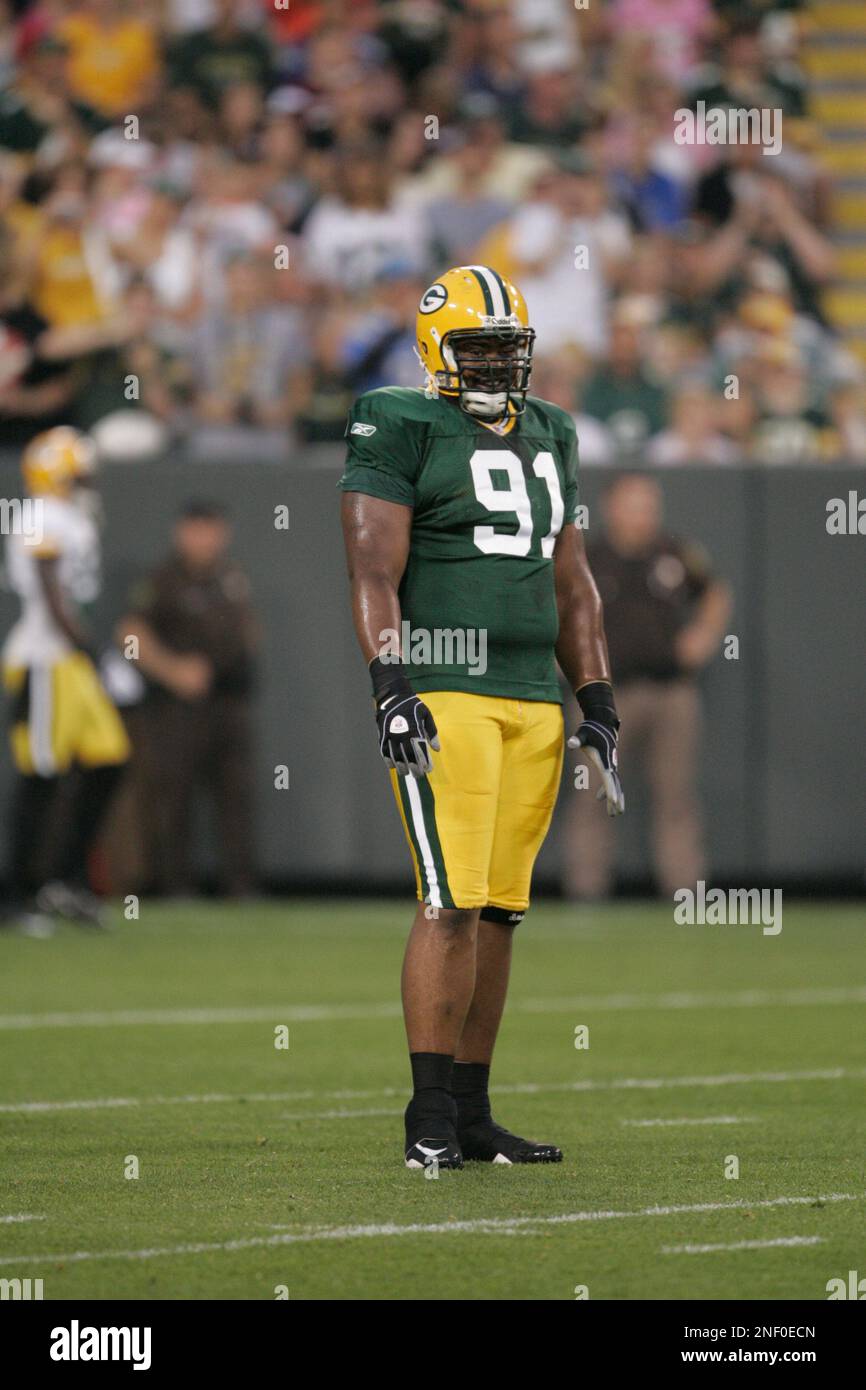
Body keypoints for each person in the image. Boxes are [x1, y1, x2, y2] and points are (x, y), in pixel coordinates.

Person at [339, 265, 624, 1171]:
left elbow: (573, 581)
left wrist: (598, 700)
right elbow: (373, 572)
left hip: (534, 700)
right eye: (480, 348)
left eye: (510, 348)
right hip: (447, 692)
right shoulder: (398, 419)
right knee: (448, 901)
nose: (498, 365)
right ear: (436, 350)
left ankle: (470, 1112)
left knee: (499, 912)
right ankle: (426, 1112)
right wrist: (391, 689)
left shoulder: (556, 430)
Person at [563, 473, 731, 900]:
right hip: (602, 696)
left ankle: (687, 891)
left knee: (676, 796)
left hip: (670, 691)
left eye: (649, 506)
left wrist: (704, 637)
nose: (643, 515)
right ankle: (586, 893)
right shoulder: (587, 557)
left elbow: (715, 591)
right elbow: (552, 605)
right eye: (634, 505)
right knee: (592, 794)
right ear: (611, 507)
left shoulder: (675, 553)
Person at [1, 426, 131, 932]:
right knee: (40, 776)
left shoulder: (68, 515)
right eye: (78, 474)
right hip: (44, 658)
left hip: (68, 659)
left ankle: (63, 881)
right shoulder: (39, 515)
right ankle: (16, 895)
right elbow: (51, 596)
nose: (86, 483)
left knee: (107, 761)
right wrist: (97, 654)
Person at [118, 501, 259, 898]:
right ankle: (175, 887)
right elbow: (128, 636)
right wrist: (173, 670)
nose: (205, 539)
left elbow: (248, 630)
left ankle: (241, 887)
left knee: (236, 797)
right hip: (176, 710)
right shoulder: (161, 580)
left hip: (229, 703)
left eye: (212, 529)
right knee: (173, 797)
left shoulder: (232, 577)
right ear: (181, 532)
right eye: (197, 529)